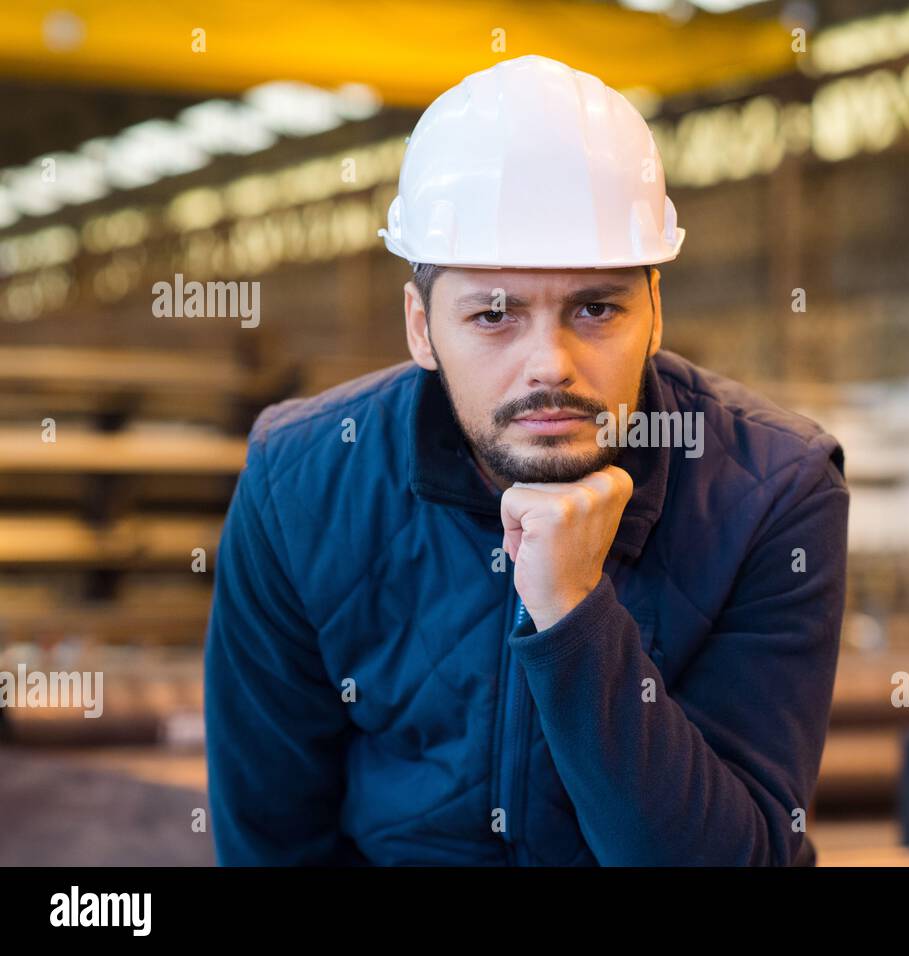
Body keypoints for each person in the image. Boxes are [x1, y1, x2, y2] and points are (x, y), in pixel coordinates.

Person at [204, 54, 849, 866]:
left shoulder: (773, 494)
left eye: (596, 307)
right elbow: (271, 843)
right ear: (420, 327)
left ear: (655, 315)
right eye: (493, 315)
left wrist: (575, 615)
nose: (549, 362)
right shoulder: (301, 486)